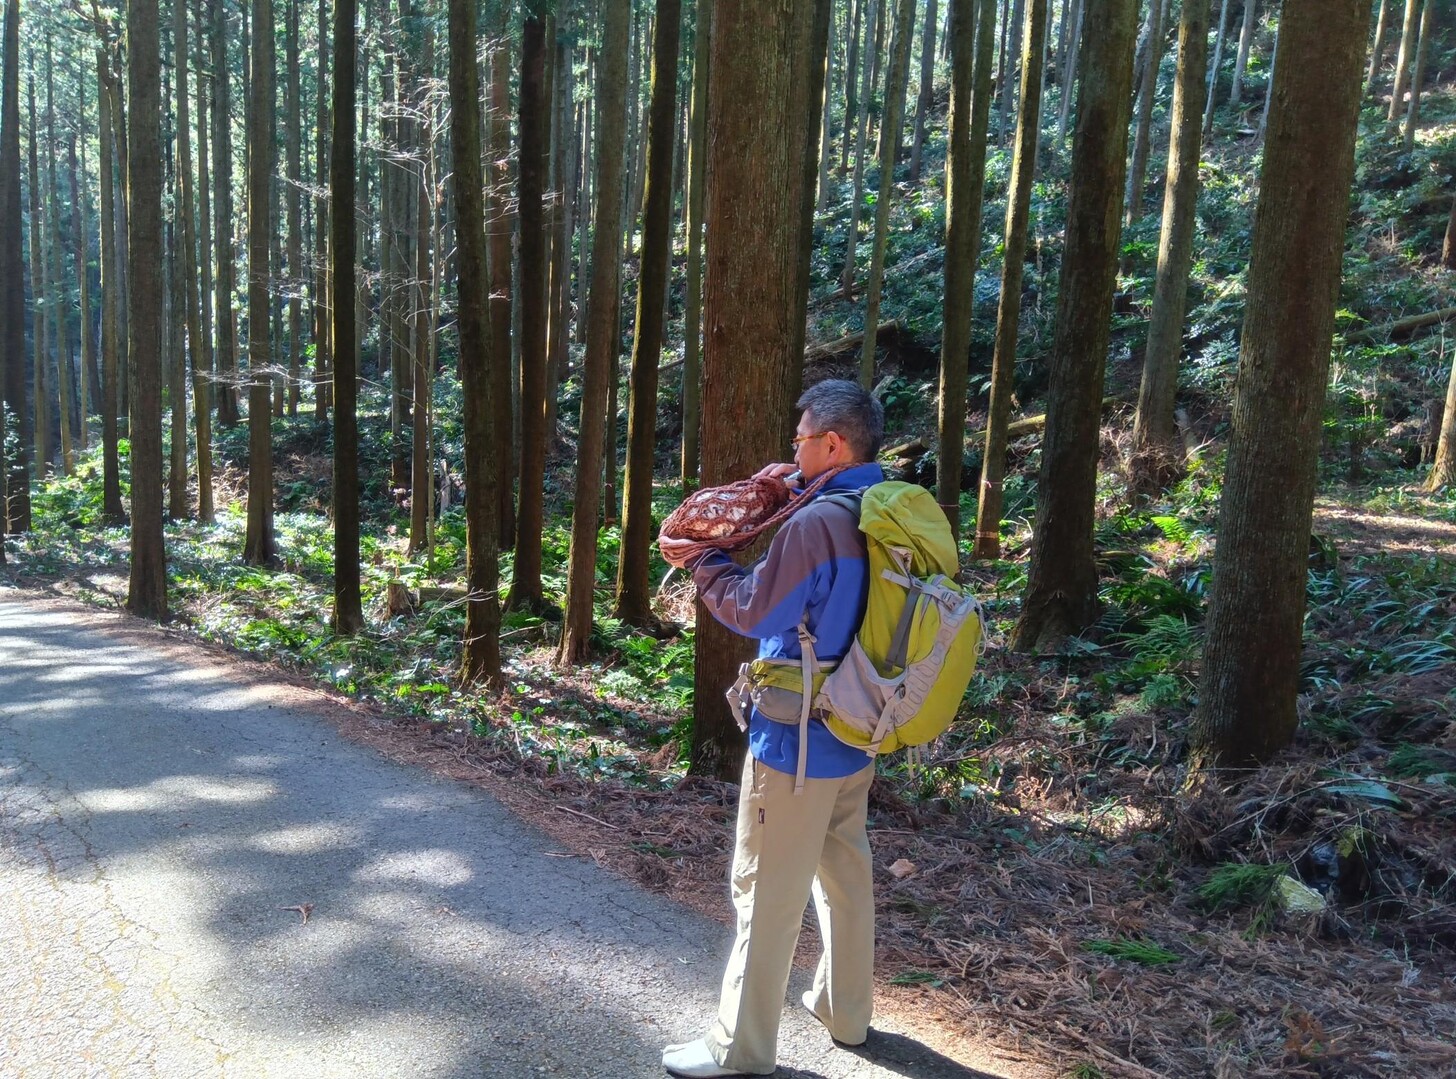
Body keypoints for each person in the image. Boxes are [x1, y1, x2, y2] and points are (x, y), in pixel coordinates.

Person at [658, 379, 885, 1078]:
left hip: (796, 738)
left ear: (833, 443)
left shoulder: (818, 524)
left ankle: (739, 1049)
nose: (794, 452)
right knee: (845, 874)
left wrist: (704, 562)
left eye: (801, 441)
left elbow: (757, 612)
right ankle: (847, 1012)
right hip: (860, 723)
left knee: (765, 890)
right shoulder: (888, 507)